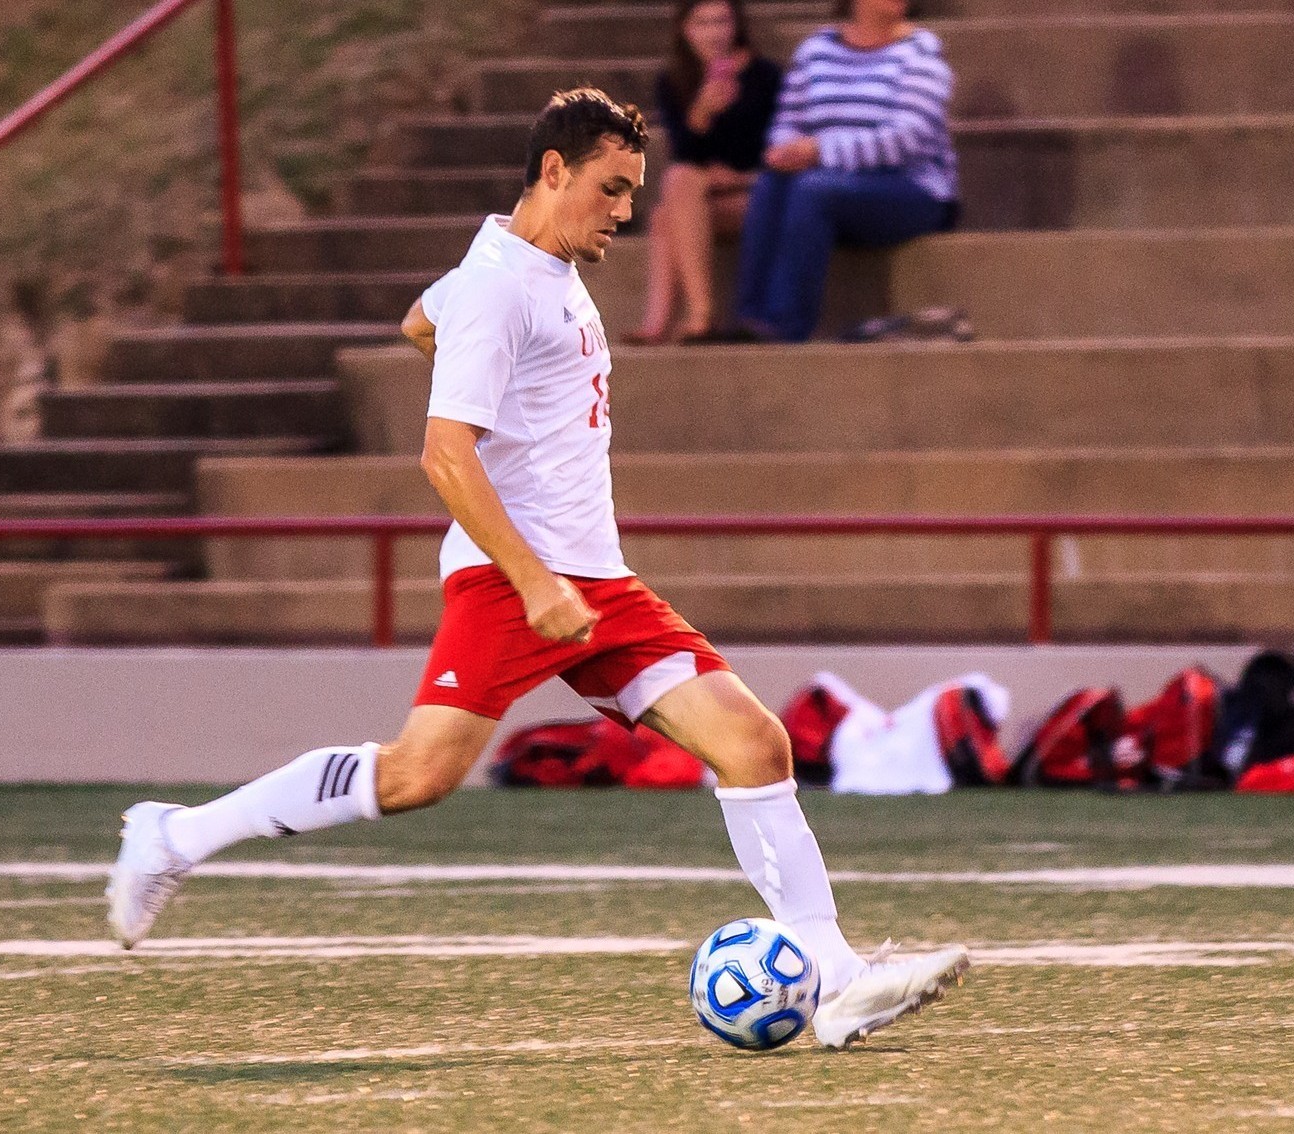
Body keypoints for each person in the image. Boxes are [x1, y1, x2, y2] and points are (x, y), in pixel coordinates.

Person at [106, 88, 969, 1050]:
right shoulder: (500, 287)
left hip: (596, 579)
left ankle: (839, 979)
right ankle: (171, 837)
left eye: (634, 193)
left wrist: (471, 364)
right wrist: (532, 579)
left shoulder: (515, 270)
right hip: (515, 580)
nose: (625, 212)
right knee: (418, 774)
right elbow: (444, 456)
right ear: (553, 172)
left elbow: (414, 321)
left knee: (755, 744)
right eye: (610, 190)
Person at [734, 0, 958, 343]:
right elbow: (788, 122)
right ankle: (750, 317)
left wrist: (820, 151)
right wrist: (786, 151)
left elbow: (907, 139)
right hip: (828, 185)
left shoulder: (921, 54)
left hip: (911, 189)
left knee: (813, 188)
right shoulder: (816, 51)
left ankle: (784, 324)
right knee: (773, 182)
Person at [627, 0, 780, 345]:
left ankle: (695, 316)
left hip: (758, 194)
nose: (714, 33)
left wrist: (738, 177)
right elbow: (686, 155)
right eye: (703, 23)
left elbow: (775, 151)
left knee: (671, 203)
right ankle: (668, 322)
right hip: (704, 197)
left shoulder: (765, 77)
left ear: (735, 25)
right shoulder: (675, 81)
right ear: (686, 29)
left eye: (722, 22)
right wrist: (701, 112)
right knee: (670, 203)